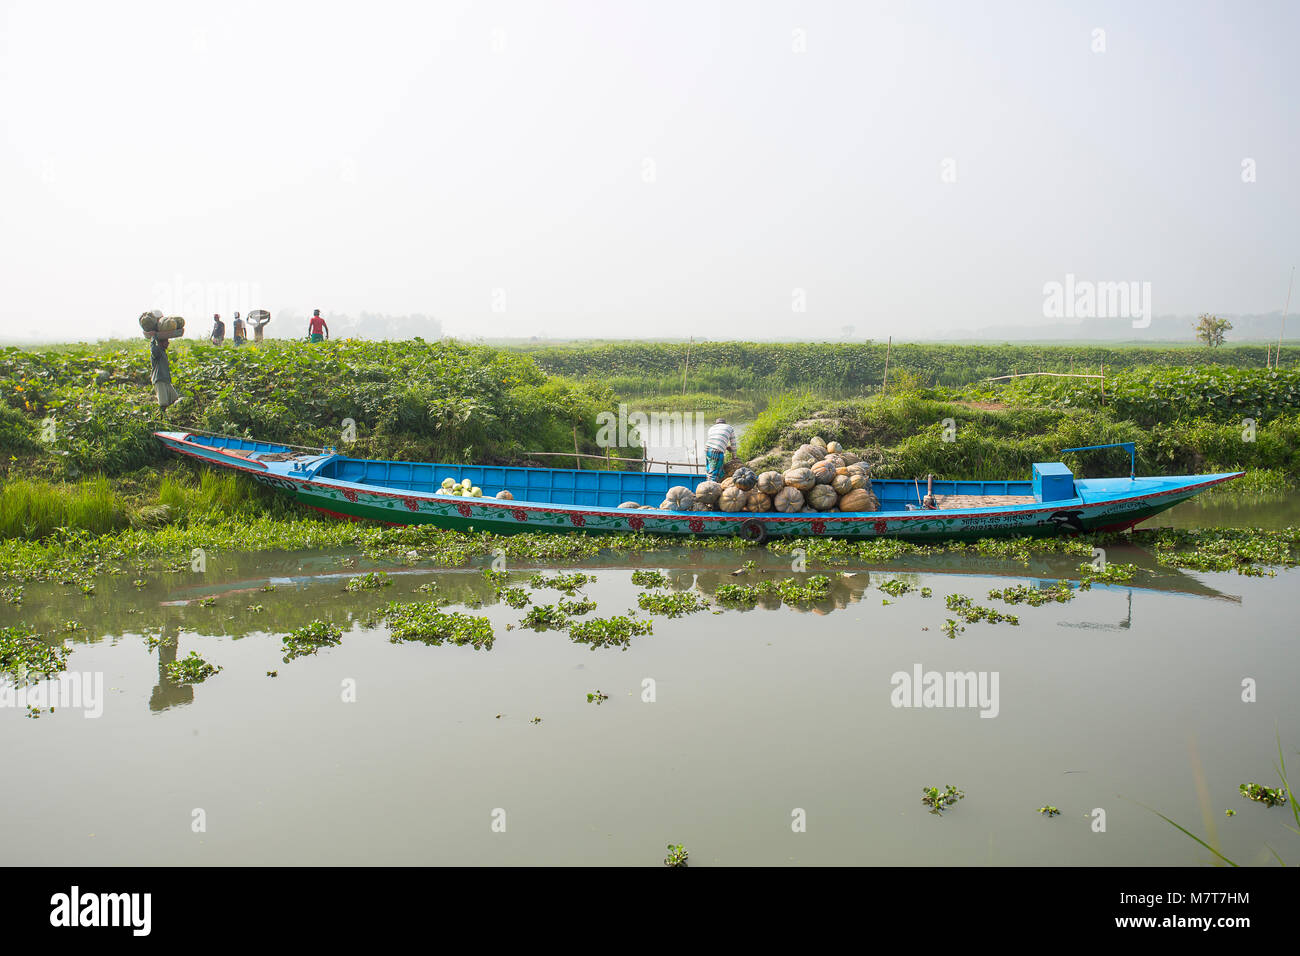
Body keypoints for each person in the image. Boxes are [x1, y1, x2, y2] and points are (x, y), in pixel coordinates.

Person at [150, 335, 182, 410]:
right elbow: (153, 350)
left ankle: (171, 414)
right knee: (163, 403)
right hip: (159, 379)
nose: (168, 343)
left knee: (175, 398)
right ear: (161, 342)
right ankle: (162, 417)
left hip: (166, 380)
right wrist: (153, 338)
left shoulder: (163, 352)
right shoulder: (157, 351)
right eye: (166, 341)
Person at [704, 417, 737, 483]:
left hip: (707, 450)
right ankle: (710, 489)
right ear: (724, 423)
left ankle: (710, 485)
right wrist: (734, 457)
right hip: (716, 452)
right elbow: (733, 444)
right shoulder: (729, 427)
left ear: (716, 424)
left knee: (710, 471)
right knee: (714, 474)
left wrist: (726, 447)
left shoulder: (712, 428)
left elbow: (714, 441)